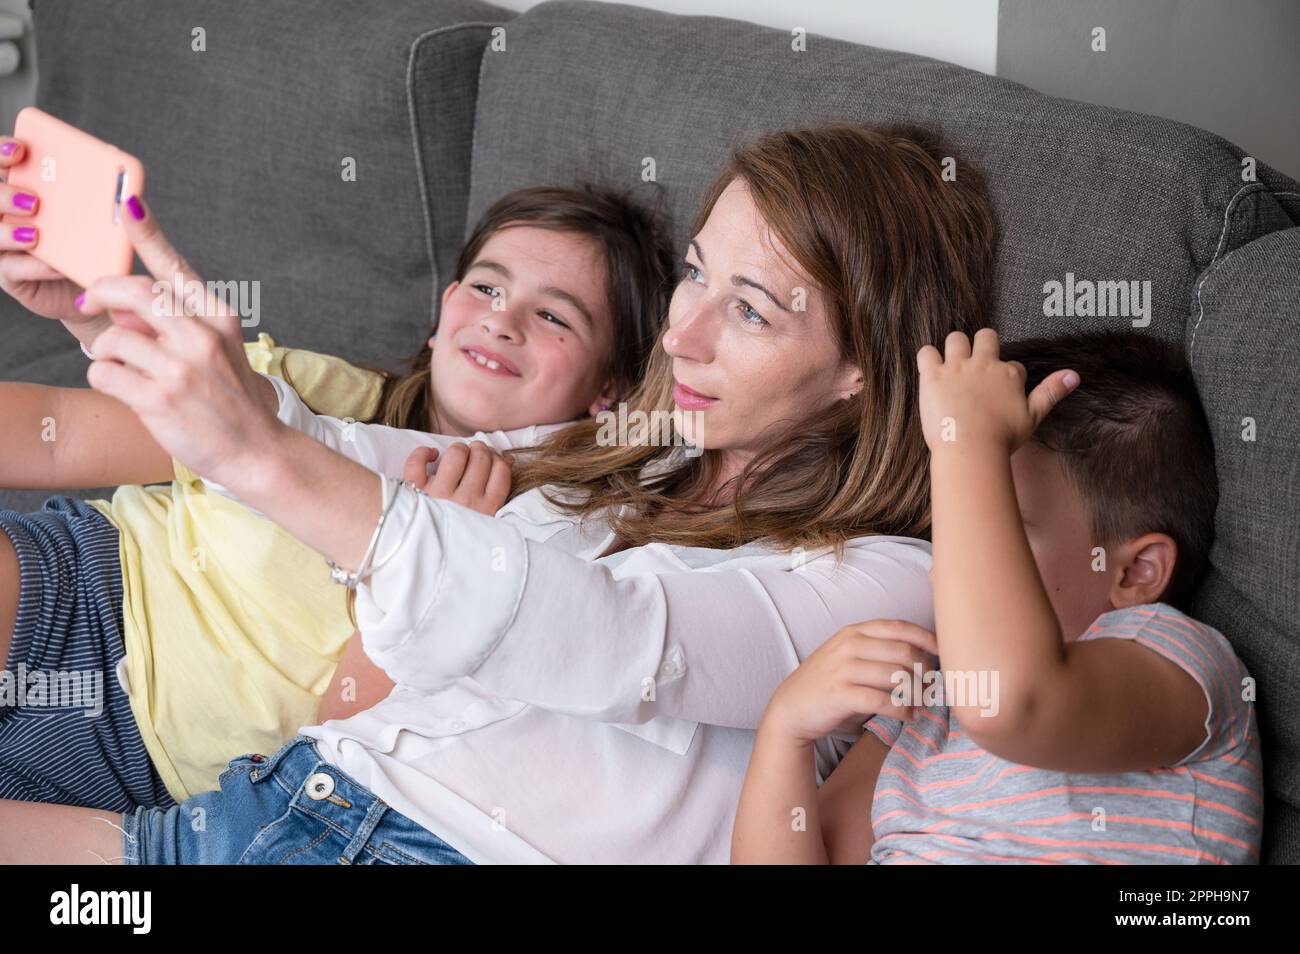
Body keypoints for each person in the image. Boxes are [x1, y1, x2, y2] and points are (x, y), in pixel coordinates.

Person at [0, 121, 998, 865]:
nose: (683, 335)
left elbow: (608, 638)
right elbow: (350, 454)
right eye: (695, 276)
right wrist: (129, 325)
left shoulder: (886, 579)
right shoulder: (617, 453)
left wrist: (258, 448)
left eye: (748, 309)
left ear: (862, 365)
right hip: (280, 802)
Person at [0, 152, 676, 808]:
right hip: (80, 595)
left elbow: (338, 758)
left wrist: (429, 572)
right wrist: (83, 307)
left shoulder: (534, 545)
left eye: (554, 316)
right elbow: (58, 431)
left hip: (149, 783)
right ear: (444, 314)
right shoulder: (325, 393)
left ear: (609, 390)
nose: (501, 319)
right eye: (486, 287)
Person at [732, 330, 1262, 864]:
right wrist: (785, 732)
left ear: (1135, 573)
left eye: (999, 529)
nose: (950, 569)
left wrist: (969, 442)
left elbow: (1011, 704)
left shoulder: (1183, 661)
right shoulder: (926, 703)